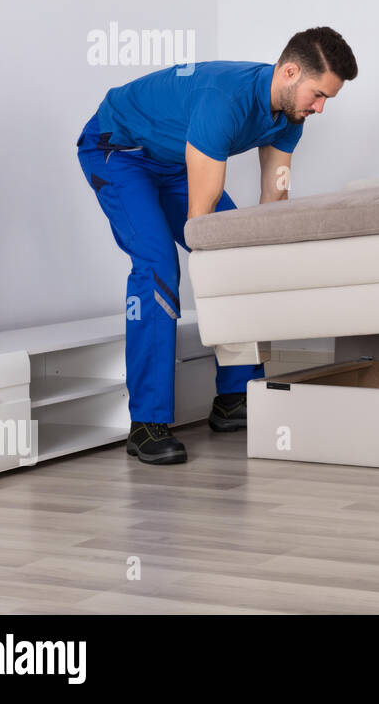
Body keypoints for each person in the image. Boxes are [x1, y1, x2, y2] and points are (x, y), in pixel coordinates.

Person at [76, 26, 358, 464]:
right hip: (120, 151)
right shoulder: (223, 101)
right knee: (158, 266)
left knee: (241, 258)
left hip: (172, 159)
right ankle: (146, 424)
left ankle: (235, 398)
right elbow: (201, 222)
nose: (320, 108)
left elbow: (273, 203)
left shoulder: (291, 117)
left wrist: (265, 264)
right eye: (318, 95)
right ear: (289, 72)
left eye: (328, 100)